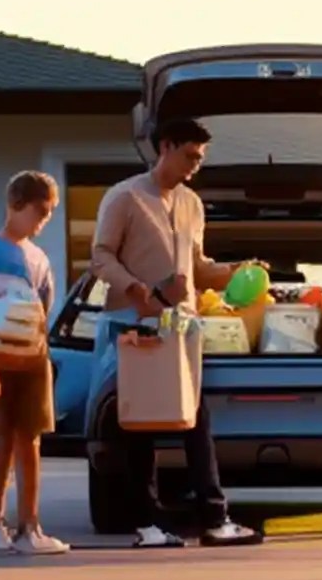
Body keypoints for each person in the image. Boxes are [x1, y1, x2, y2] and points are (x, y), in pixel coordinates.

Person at [90, 118, 262, 548]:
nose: (195, 165)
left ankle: (213, 519)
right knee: (140, 428)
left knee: (195, 420)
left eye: (200, 159)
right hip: (136, 326)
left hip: (181, 329)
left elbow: (197, 267)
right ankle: (149, 524)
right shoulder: (125, 196)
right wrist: (138, 289)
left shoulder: (192, 204)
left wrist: (236, 271)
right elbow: (101, 257)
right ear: (165, 146)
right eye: (189, 156)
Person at [0, 170, 70, 554]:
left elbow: (44, 307)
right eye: (40, 211)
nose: (44, 220)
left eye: (49, 213)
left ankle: (30, 526)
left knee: (31, 441)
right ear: (16, 204)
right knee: (3, 441)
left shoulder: (39, 257)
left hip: (33, 356)